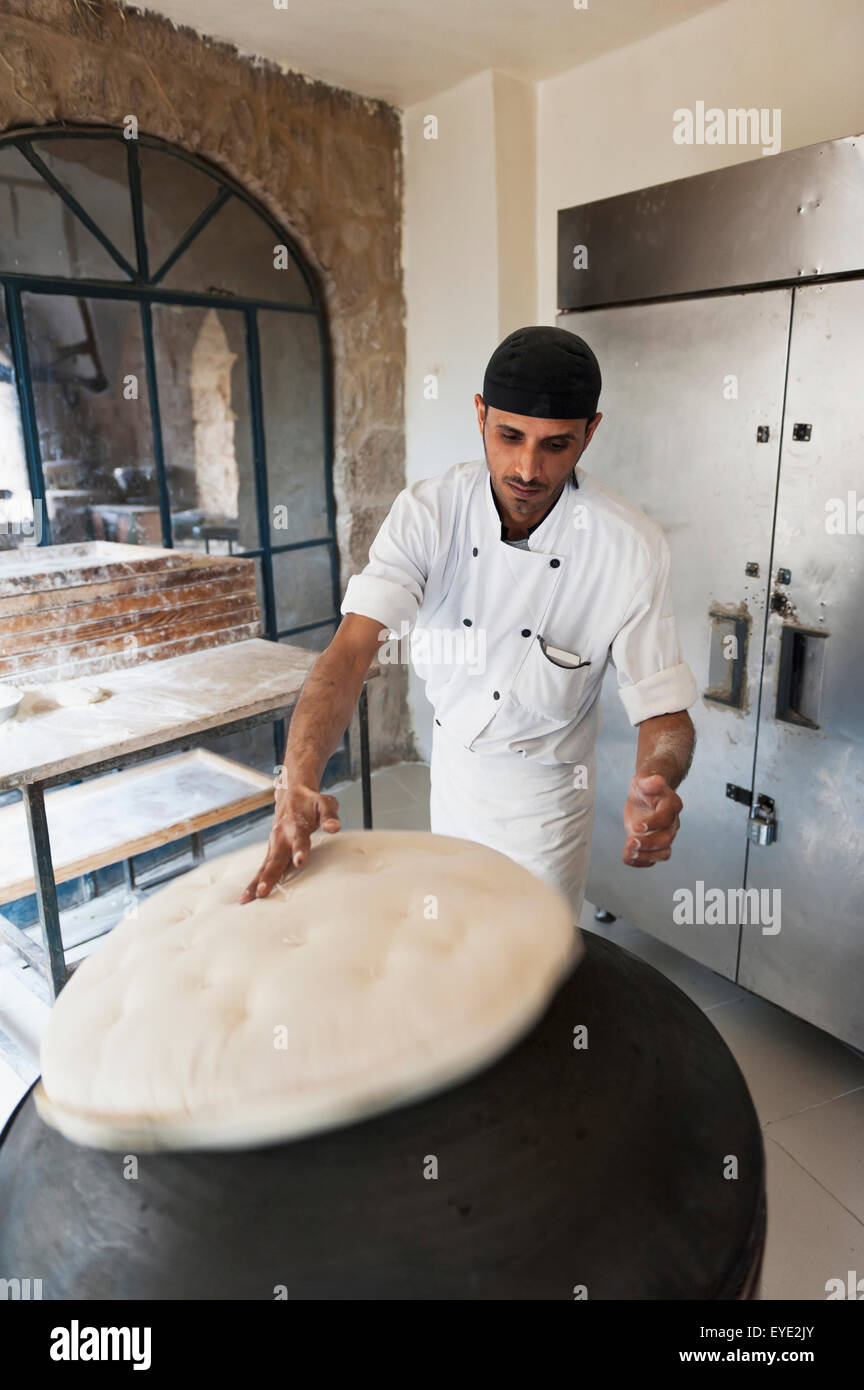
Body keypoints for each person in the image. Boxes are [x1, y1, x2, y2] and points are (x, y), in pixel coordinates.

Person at [241, 325, 697, 917]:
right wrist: (298, 777)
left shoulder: (630, 547)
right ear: (480, 415)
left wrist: (658, 779)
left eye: (556, 445)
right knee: (454, 949)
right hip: (454, 779)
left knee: (537, 975)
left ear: (591, 433)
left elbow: (664, 710)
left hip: (548, 808)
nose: (528, 468)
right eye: (509, 436)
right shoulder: (430, 513)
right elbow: (351, 651)